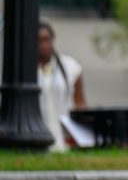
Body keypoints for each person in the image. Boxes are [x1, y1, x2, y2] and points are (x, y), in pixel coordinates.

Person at [35, 23, 89, 151]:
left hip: (64, 140)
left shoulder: (71, 67)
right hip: (37, 139)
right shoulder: (23, 70)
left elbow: (80, 104)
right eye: (38, 41)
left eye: (47, 39)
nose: (44, 45)